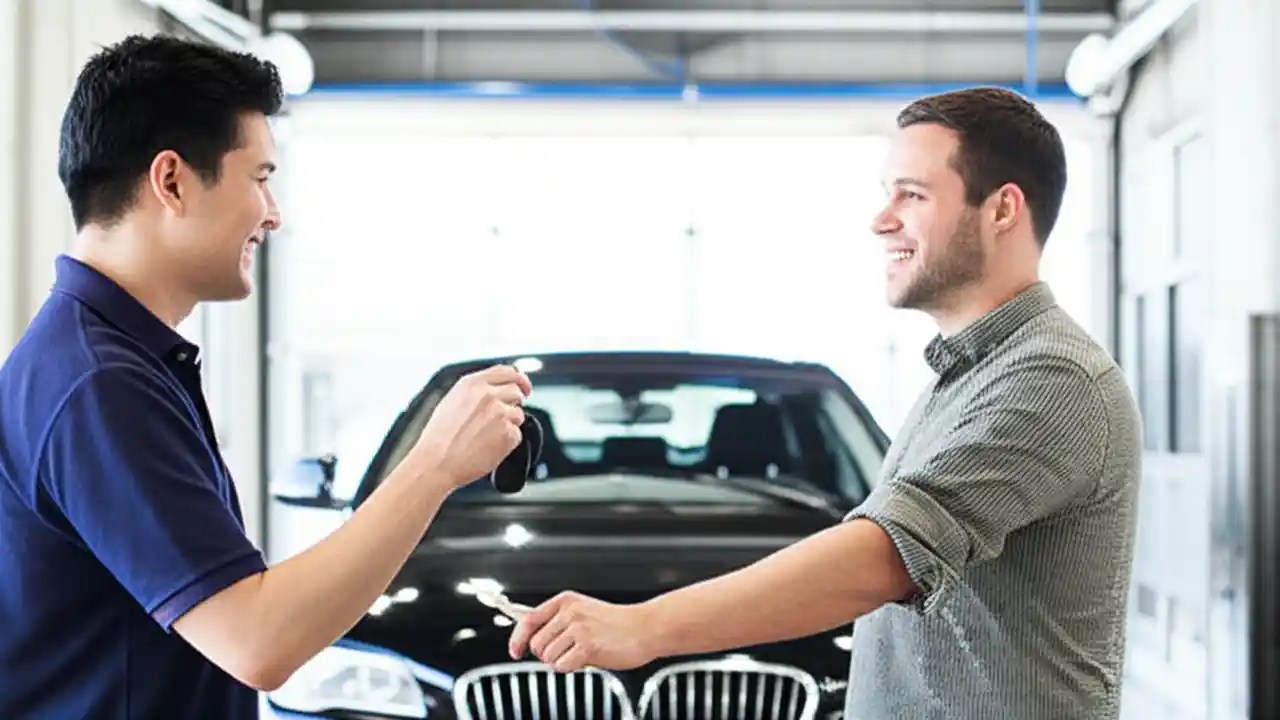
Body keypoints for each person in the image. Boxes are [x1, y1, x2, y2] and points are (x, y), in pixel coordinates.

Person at [508, 86, 1142, 719]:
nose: (881, 218)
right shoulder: (968, 375)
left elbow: (887, 553)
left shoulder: (1053, 379)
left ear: (1002, 210)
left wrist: (642, 628)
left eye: (912, 194)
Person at [0, 34, 532, 719]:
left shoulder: (104, 361)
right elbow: (257, 639)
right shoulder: (99, 384)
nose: (273, 213)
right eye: (259, 177)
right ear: (171, 181)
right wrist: (434, 464)